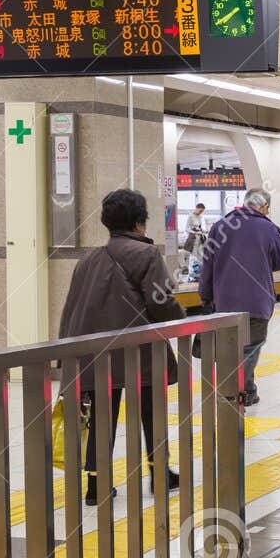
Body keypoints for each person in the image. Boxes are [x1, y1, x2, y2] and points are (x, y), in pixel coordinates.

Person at [58, 189, 185, 506]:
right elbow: (162, 304)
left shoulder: (88, 260)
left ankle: (96, 485)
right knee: (151, 411)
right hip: (138, 352)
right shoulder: (147, 254)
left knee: (101, 415)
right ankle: (159, 476)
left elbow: (71, 308)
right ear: (140, 222)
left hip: (93, 354)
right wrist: (184, 320)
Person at [197, 188, 280, 406]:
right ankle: (237, 392)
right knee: (250, 347)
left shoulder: (220, 227)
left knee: (230, 347)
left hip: (224, 302)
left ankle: (246, 389)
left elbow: (207, 265)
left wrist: (205, 296)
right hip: (257, 301)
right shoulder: (268, 228)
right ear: (265, 206)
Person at [177, 203, 208, 278]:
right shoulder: (190, 216)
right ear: (197, 208)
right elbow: (186, 228)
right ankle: (191, 273)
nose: (201, 212)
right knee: (193, 256)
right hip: (193, 238)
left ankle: (202, 273)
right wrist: (195, 232)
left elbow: (202, 226)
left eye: (202, 211)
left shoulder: (201, 216)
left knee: (201, 256)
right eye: (200, 211)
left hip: (200, 238)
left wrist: (204, 230)